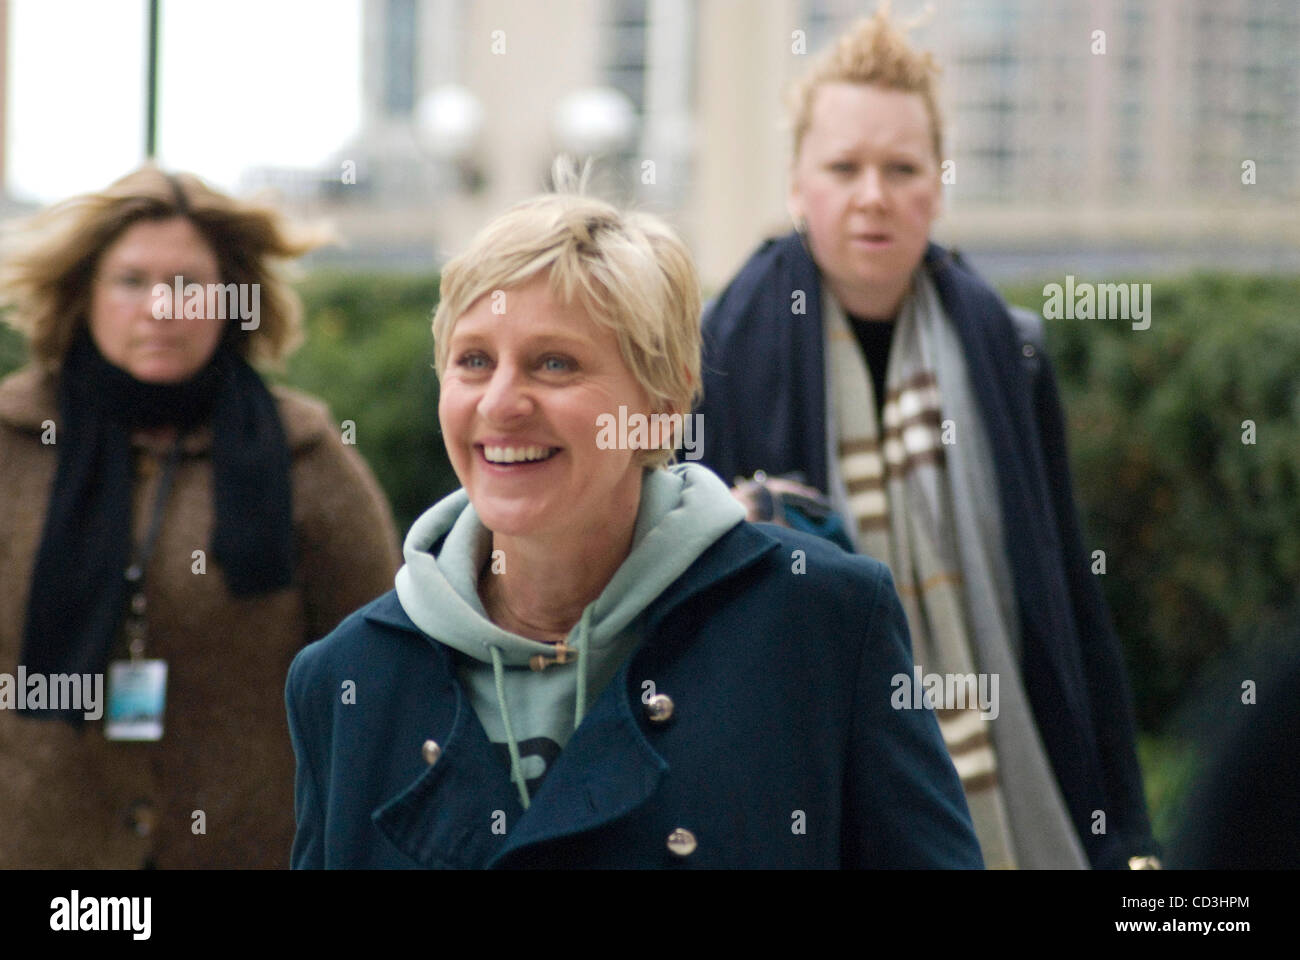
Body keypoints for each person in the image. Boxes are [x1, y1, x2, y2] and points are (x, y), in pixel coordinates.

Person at [285, 172, 983, 868]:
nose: (500, 403)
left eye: (553, 363)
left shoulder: (822, 624)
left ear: (662, 403)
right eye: (472, 361)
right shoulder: (346, 681)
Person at [695, 9, 1157, 869]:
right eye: (843, 167)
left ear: (935, 188)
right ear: (799, 185)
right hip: (809, 785)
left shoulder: (1006, 349)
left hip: (1011, 775)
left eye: (900, 167)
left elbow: (1066, 595)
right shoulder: (723, 346)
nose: (872, 193)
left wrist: (1125, 829)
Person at [0, 165, 401, 868]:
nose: (161, 306)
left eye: (189, 284)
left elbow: (383, 683)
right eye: (131, 281)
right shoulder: (11, 438)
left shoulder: (306, 457)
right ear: (84, 295)